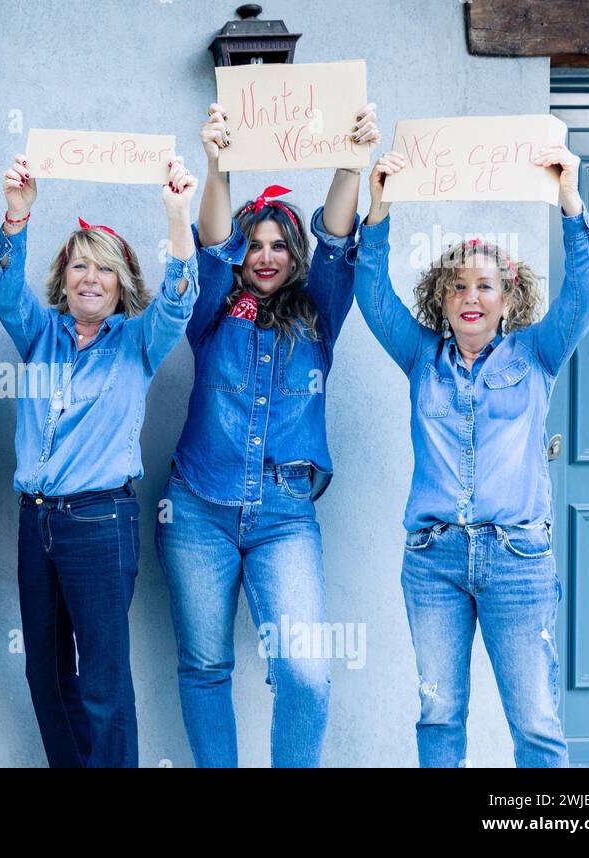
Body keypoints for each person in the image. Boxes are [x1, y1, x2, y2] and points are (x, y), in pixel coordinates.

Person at [355, 144, 589, 767]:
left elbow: (586, 291)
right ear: (442, 296)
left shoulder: (535, 355)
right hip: (433, 560)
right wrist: (379, 206)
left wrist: (570, 199)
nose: (471, 296)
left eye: (485, 285)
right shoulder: (421, 360)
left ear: (506, 294)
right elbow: (372, 294)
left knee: (537, 723)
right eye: (458, 285)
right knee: (439, 716)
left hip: (517, 558)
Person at [155, 103, 380, 767]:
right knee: (204, 667)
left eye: (279, 244)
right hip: (197, 509)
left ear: (295, 256)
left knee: (307, 673)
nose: (264, 255)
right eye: (255, 244)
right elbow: (212, 247)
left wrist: (350, 163)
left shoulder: (320, 315)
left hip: (284, 516)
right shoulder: (209, 312)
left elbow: (339, 245)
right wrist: (217, 164)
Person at [0, 152, 198, 767]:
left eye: (103, 270)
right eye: (80, 265)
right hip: (37, 520)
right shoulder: (39, 332)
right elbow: (2, 288)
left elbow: (180, 301)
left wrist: (177, 215)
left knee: (103, 683)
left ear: (121, 282)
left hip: (101, 523)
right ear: (63, 275)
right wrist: (17, 217)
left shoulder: (138, 341)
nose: (90, 278)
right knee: (46, 675)